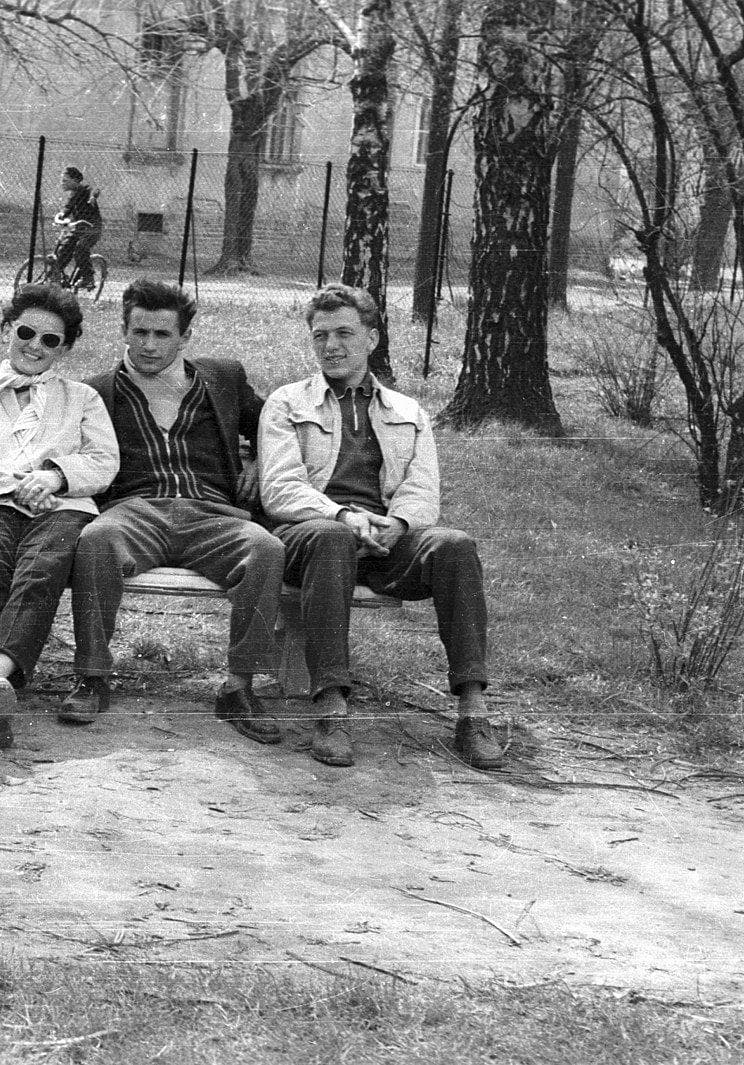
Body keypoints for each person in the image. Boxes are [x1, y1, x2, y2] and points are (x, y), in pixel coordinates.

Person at [259, 283, 501, 770]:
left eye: (344, 333)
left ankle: (473, 712)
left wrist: (399, 522)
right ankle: (331, 707)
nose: (331, 346)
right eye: (321, 335)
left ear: (372, 338)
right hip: (311, 536)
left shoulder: (407, 412)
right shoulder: (287, 403)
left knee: (455, 545)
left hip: (384, 542)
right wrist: (343, 516)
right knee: (331, 539)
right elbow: (280, 490)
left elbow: (422, 489)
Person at [63, 279, 287, 741]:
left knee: (265, 549)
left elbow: (279, 426)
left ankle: (240, 687)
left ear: (184, 336)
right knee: (96, 540)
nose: (148, 345)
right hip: (135, 510)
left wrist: (260, 459)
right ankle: (91, 676)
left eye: (162, 335)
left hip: (215, 515)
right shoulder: (96, 393)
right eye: (138, 332)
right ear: (123, 330)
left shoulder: (222, 379)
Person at [0, 284, 119, 749]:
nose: (34, 346)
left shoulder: (81, 398)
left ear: (65, 348)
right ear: (6, 329)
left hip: (60, 507)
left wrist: (55, 478)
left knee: (42, 568)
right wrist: (20, 484)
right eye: (26, 332)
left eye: (50, 340)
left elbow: (103, 459)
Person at [52, 166, 103, 290]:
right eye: (62, 180)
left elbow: (94, 190)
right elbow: (67, 208)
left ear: (75, 180)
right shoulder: (73, 194)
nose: (62, 183)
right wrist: (60, 216)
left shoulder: (85, 189)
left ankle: (88, 279)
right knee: (64, 250)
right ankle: (58, 279)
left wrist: (93, 197)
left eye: (65, 180)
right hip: (78, 228)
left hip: (92, 228)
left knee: (81, 248)